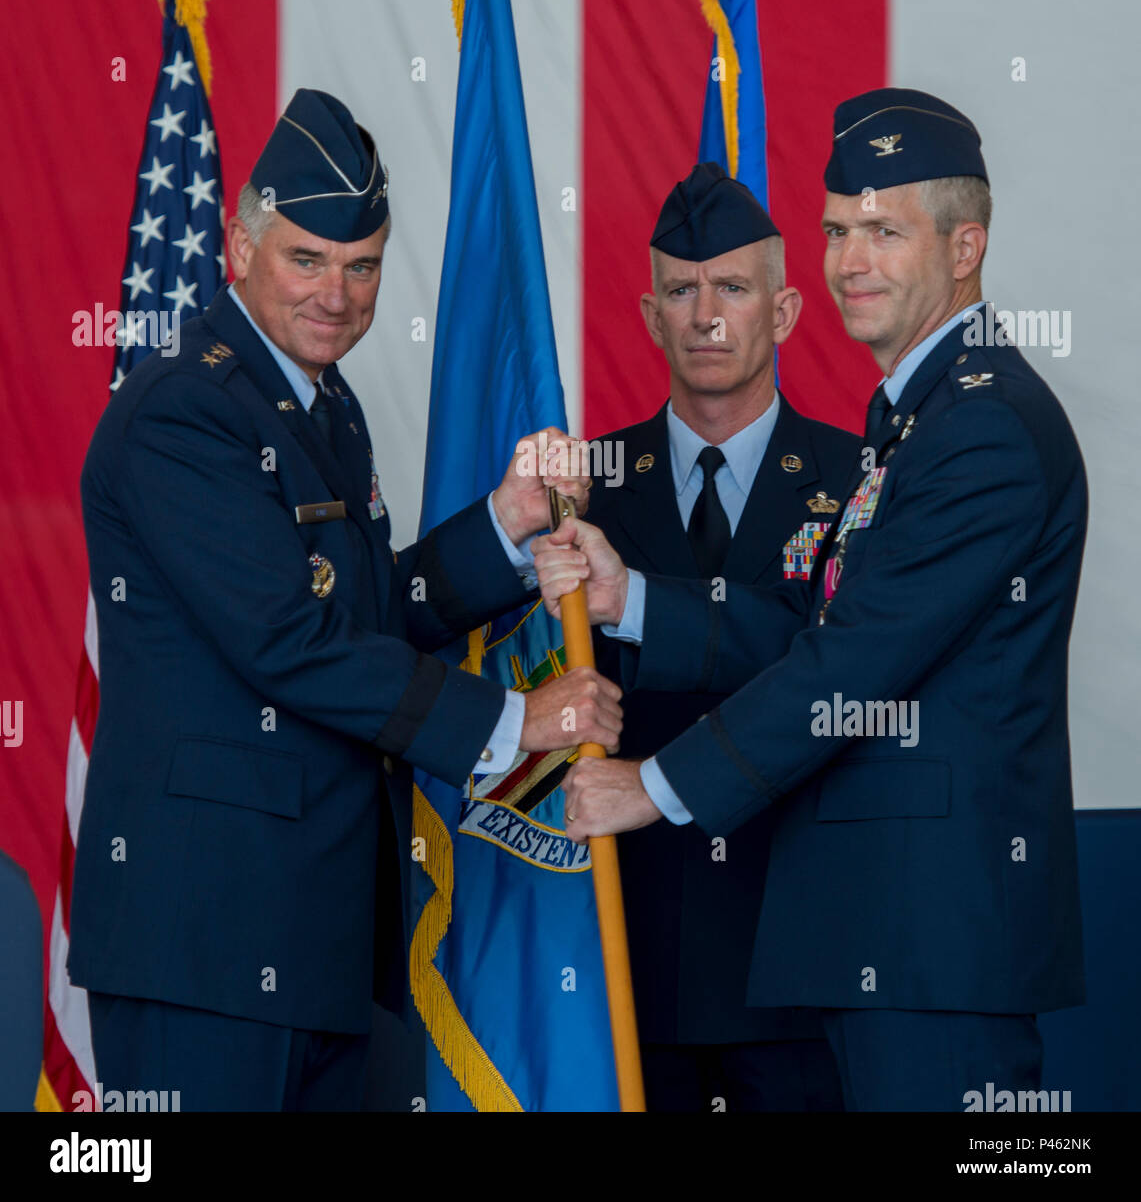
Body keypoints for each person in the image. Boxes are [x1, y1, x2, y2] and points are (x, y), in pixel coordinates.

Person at [68, 88, 620, 1111]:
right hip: (206, 943)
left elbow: (363, 614)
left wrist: (503, 523)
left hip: (314, 937)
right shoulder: (185, 409)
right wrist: (514, 721)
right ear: (239, 248)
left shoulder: (322, 406)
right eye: (306, 258)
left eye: (361, 266)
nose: (337, 292)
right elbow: (289, 641)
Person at [536, 88, 1087, 1112]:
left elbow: (855, 659)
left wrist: (650, 785)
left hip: (932, 947)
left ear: (964, 246)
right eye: (837, 230)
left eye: (885, 230)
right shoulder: (919, 417)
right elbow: (815, 632)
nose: (851, 260)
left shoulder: (982, 427)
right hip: (883, 938)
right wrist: (634, 598)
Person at [587, 162, 856, 1111]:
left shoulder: (864, 480)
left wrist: (635, 601)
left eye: (732, 289)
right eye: (681, 290)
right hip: (627, 974)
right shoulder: (582, 488)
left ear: (782, 312)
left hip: (802, 970)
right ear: (650, 313)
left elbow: (834, 671)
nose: (705, 315)